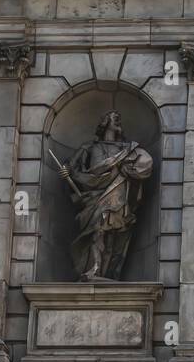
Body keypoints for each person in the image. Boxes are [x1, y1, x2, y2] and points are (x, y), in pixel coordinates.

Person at [59, 111, 154, 281]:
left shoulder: (127, 149)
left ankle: (108, 273)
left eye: (119, 117)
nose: (118, 118)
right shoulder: (89, 147)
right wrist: (66, 170)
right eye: (113, 116)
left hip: (119, 194)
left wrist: (128, 167)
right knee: (98, 230)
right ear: (105, 122)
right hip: (95, 196)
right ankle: (94, 268)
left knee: (114, 236)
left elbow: (143, 166)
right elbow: (70, 167)